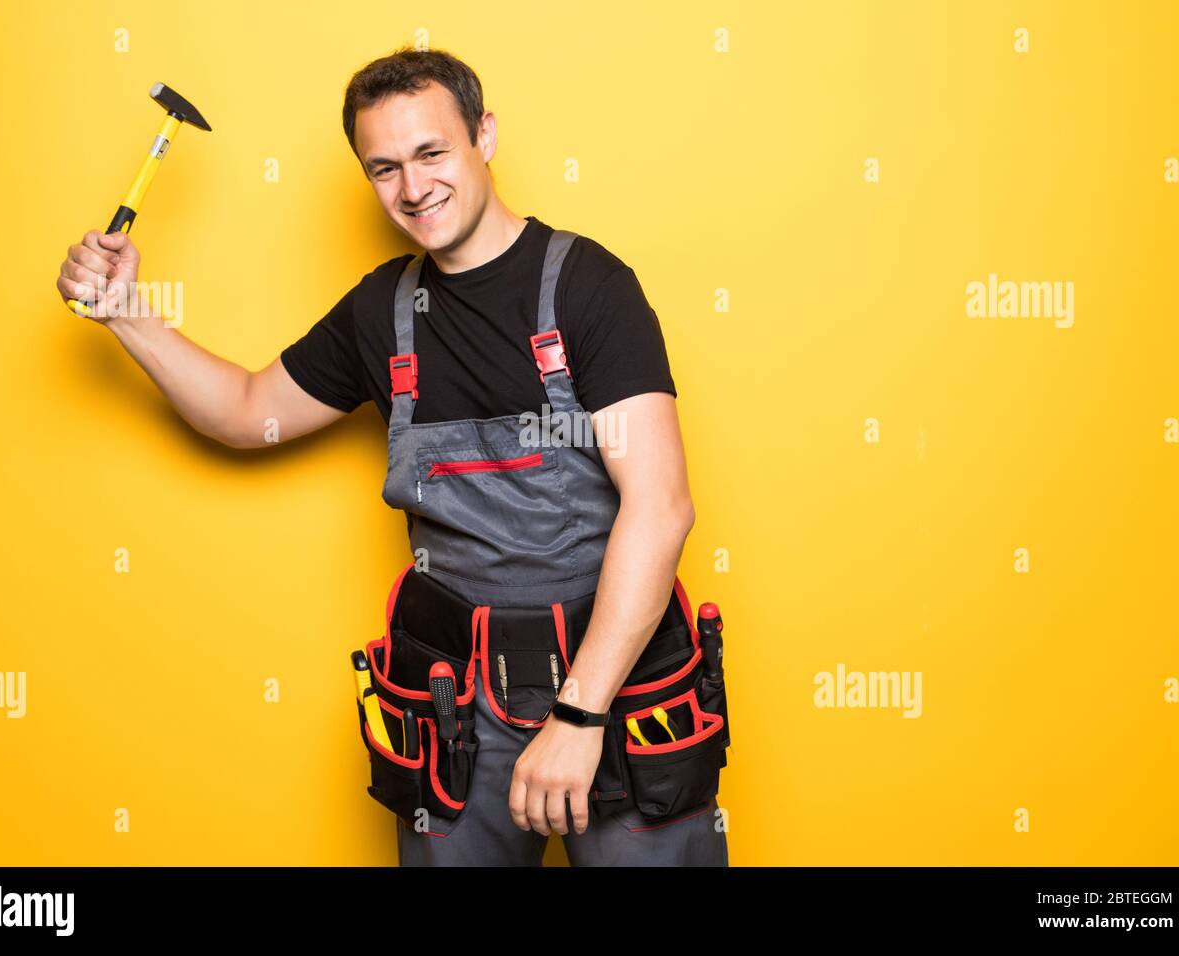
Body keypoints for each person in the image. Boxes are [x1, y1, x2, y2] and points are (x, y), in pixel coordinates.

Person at [55, 45, 727, 866]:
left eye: (431, 152)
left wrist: (579, 716)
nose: (413, 189)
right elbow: (242, 413)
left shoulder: (589, 287)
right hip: (454, 709)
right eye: (384, 168)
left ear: (484, 134)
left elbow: (661, 510)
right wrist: (127, 314)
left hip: (618, 691)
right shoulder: (383, 312)